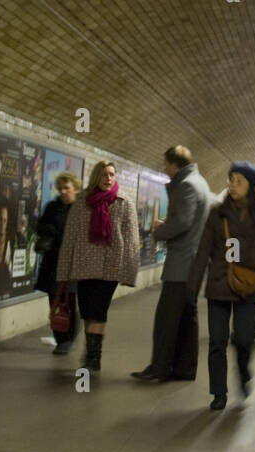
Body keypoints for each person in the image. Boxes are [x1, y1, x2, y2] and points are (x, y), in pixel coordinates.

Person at [187, 162, 255, 410]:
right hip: (219, 284)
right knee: (217, 341)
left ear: (251, 185)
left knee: (243, 338)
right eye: (231, 180)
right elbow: (203, 252)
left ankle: (243, 371)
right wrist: (193, 287)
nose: (233, 184)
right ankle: (219, 392)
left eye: (239, 180)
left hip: (248, 286)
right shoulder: (217, 213)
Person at [54, 161, 141, 372]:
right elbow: (70, 238)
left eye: (112, 174)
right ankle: (91, 352)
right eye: (104, 174)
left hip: (109, 267)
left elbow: (131, 239)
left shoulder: (123, 202)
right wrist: (63, 272)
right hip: (84, 266)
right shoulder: (82, 201)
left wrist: (129, 272)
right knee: (87, 311)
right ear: (95, 177)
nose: (108, 178)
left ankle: (94, 357)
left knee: (98, 310)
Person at [133, 146, 210, 382]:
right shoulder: (200, 182)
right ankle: (184, 368)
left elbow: (182, 223)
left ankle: (160, 367)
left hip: (182, 263)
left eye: (166, 164)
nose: (164, 169)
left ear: (175, 164)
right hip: (193, 262)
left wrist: (160, 230)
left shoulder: (186, 185)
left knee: (167, 317)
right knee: (187, 318)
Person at [36, 170, 81, 353]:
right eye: (60, 188)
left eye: (67, 188)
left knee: (69, 300)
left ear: (75, 189)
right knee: (54, 300)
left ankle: (68, 338)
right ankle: (59, 337)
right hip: (53, 261)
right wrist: (47, 229)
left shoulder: (82, 209)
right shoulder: (52, 207)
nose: (63, 192)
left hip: (73, 262)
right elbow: (40, 226)